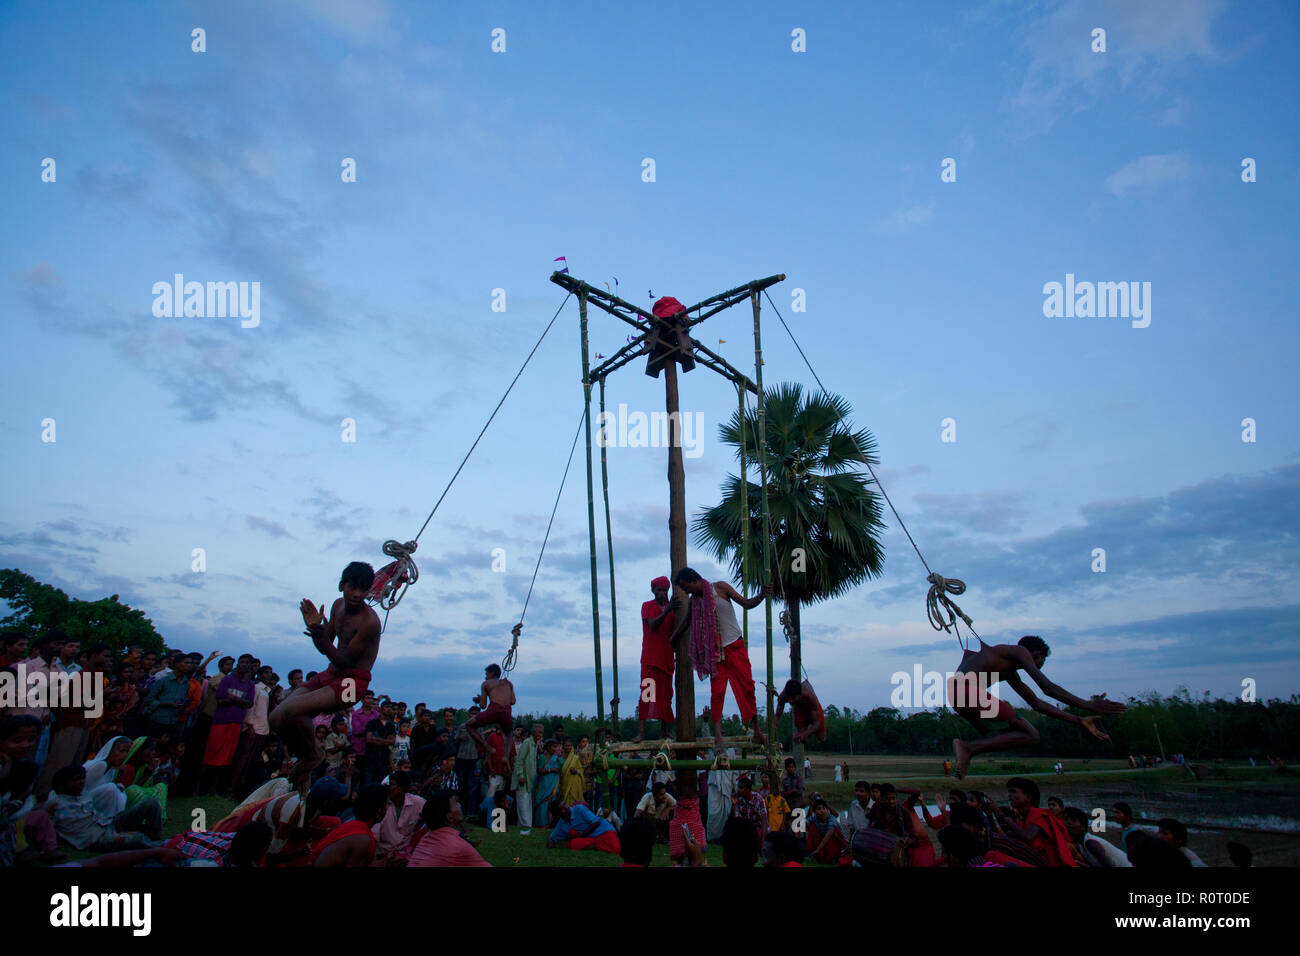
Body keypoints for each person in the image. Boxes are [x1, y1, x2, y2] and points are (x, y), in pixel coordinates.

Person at [270, 561, 382, 792]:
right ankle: (307, 756)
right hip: (332, 672)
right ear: (342, 585)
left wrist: (320, 636)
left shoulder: (370, 622)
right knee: (276, 717)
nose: (358, 594)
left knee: (294, 710)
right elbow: (325, 646)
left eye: (363, 589)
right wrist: (315, 630)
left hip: (353, 682)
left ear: (369, 591)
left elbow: (346, 660)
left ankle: (312, 756)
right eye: (353, 587)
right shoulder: (337, 606)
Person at [947, 635, 1126, 778]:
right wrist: (1089, 705)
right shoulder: (1020, 651)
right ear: (1037, 654)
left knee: (1027, 734)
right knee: (1031, 734)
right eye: (1041, 661)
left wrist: (1079, 720)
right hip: (966, 692)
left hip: (957, 696)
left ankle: (969, 748)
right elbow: (1048, 689)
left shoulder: (1008, 669)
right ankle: (968, 748)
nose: (1038, 667)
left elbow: (1036, 703)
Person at [669, 567, 769, 749]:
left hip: (735, 647)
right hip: (715, 654)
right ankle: (718, 736)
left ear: (693, 580)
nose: (686, 592)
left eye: (686, 588)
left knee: (747, 687)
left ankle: (757, 730)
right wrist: (673, 638)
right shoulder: (694, 603)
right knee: (717, 693)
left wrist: (761, 595)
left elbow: (746, 603)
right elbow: (686, 623)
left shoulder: (721, 588)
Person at [990, 777, 1077, 867]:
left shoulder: (1039, 815)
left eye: (1013, 792)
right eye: (1009, 792)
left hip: (1048, 864)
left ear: (1028, 797)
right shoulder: (1022, 819)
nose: (1009, 795)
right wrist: (990, 814)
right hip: (1035, 862)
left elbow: (1028, 838)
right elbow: (1005, 836)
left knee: (993, 855)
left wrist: (1003, 816)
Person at [201, 654, 255, 796]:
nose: (244, 665)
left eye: (247, 663)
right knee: (211, 753)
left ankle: (214, 789)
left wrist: (232, 698)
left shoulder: (250, 685)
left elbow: (249, 703)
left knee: (226, 757)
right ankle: (201, 788)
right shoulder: (227, 679)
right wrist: (239, 701)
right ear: (238, 664)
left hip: (236, 723)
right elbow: (221, 700)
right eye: (241, 662)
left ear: (250, 666)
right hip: (220, 721)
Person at [636, 576, 676, 741]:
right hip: (651, 657)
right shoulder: (647, 606)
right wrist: (668, 610)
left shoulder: (672, 609)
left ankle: (665, 731)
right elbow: (653, 625)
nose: (662, 593)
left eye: (665, 590)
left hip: (666, 658)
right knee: (647, 693)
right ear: (653, 590)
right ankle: (642, 732)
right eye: (659, 590)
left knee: (666, 695)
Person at [313, 784, 388, 866]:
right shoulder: (362, 839)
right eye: (386, 805)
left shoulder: (351, 826)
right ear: (378, 812)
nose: (387, 808)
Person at [408, 792, 491, 867]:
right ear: (450, 817)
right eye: (456, 803)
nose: (460, 806)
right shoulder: (458, 846)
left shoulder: (427, 837)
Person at [372, 771, 425, 865]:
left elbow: (433, 812)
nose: (388, 787)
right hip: (384, 854)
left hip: (406, 852)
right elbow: (373, 837)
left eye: (392, 784)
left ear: (400, 789)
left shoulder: (417, 802)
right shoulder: (381, 805)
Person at [465, 663, 515, 749]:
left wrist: (479, 700)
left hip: (493, 710)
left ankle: (487, 747)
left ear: (492, 673)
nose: (485, 677)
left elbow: (483, 706)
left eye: (486, 674)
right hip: (506, 711)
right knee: (509, 733)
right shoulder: (509, 683)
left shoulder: (485, 683)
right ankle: (506, 757)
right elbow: (513, 702)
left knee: (469, 725)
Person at [1061, 806, 1130, 867]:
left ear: (1083, 826)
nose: (1068, 823)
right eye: (1066, 819)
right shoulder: (1081, 846)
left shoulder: (1090, 843)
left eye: (1073, 820)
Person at [548, 801, 621, 854]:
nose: (566, 807)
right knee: (571, 844)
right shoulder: (561, 824)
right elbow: (552, 837)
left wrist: (581, 835)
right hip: (590, 838)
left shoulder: (579, 809)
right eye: (562, 808)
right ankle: (597, 845)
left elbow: (596, 823)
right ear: (558, 815)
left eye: (565, 804)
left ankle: (596, 845)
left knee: (616, 849)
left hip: (603, 830)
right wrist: (551, 842)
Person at [513, 723, 542, 833]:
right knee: (523, 803)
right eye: (539, 732)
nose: (541, 734)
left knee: (527, 804)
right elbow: (519, 760)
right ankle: (526, 827)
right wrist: (520, 775)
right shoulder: (527, 743)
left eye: (541, 732)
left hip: (530, 779)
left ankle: (523, 827)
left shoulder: (534, 744)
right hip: (523, 778)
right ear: (533, 732)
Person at [363, 701, 398, 788]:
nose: (389, 709)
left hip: (384, 760)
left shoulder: (391, 725)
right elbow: (368, 739)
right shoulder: (372, 723)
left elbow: (392, 741)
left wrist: (377, 739)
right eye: (386, 707)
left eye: (390, 707)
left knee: (381, 785)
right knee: (368, 786)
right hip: (371, 758)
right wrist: (385, 741)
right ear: (381, 709)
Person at [805, 797, 851, 865]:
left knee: (834, 832)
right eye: (819, 809)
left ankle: (835, 856)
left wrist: (818, 850)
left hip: (837, 843)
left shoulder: (831, 819)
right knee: (812, 827)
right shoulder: (815, 818)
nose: (822, 811)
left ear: (827, 810)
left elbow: (828, 834)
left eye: (824, 808)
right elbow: (805, 822)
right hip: (823, 842)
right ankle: (813, 854)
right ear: (815, 812)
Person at [534, 740, 561, 825]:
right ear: (548, 747)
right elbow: (539, 770)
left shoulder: (556, 758)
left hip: (553, 784)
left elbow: (559, 771)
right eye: (554, 747)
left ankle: (548, 824)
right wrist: (551, 770)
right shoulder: (542, 757)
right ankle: (540, 823)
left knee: (550, 803)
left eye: (556, 747)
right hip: (543, 784)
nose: (555, 749)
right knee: (541, 803)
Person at [559, 737, 585, 807]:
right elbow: (559, 774)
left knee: (575, 805)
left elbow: (581, 771)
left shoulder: (575, 758)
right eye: (566, 745)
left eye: (569, 745)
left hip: (574, 786)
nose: (568, 747)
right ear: (563, 746)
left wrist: (576, 771)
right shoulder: (560, 759)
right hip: (564, 785)